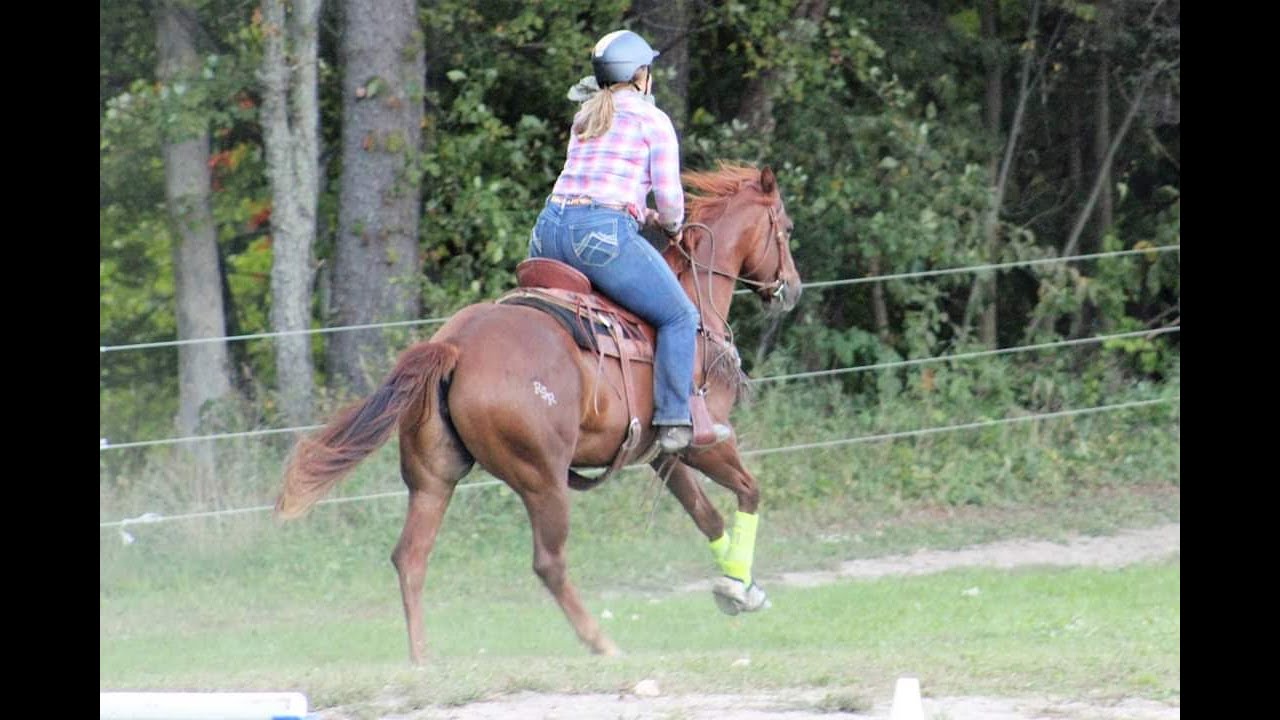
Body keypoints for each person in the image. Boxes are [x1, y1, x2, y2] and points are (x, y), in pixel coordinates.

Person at [527, 29, 731, 453]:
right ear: (640, 76)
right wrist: (671, 225)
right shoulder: (653, 121)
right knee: (679, 315)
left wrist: (640, 210)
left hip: (548, 231)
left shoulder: (585, 117)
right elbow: (671, 198)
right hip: (600, 237)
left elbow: (591, 182)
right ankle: (676, 420)